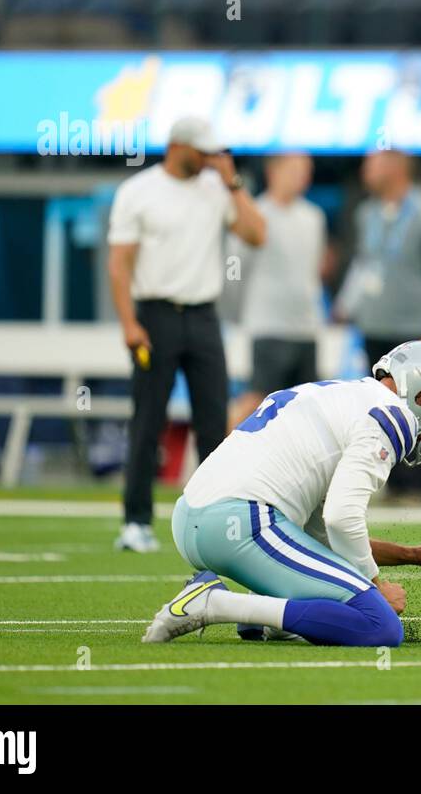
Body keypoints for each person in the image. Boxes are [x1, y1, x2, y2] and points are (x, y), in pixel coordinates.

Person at [141, 341, 421, 647]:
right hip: (244, 523)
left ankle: (259, 616)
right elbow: (342, 517)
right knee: (380, 625)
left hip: (193, 518)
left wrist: (412, 554)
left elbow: (321, 535)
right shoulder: (394, 412)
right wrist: (376, 585)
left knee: (336, 594)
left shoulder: (337, 396)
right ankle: (214, 603)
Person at [107, 116, 267, 553]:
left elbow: (257, 235)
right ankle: (136, 520)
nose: (212, 159)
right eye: (204, 151)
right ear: (178, 146)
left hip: (203, 317)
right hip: (154, 315)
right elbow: (120, 263)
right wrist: (128, 322)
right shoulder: (138, 192)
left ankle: (216, 521)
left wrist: (233, 182)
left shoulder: (217, 189)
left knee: (213, 422)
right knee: (148, 420)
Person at [335, 148, 421, 498]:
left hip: (411, 329)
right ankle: (386, 480)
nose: (365, 170)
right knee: (379, 404)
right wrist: (346, 303)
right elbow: (362, 263)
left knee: (418, 407)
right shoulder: (364, 213)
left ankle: (418, 485)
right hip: (374, 325)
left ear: (395, 168)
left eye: (373, 163)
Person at [227, 153, 333, 431]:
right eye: (296, 169)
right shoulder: (254, 214)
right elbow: (234, 271)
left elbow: (313, 271)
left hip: (306, 329)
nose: (303, 177)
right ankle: (215, 456)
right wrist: (242, 315)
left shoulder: (314, 218)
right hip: (268, 327)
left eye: (306, 171)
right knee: (257, 402)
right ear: (274, 172)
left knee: (305, 407)